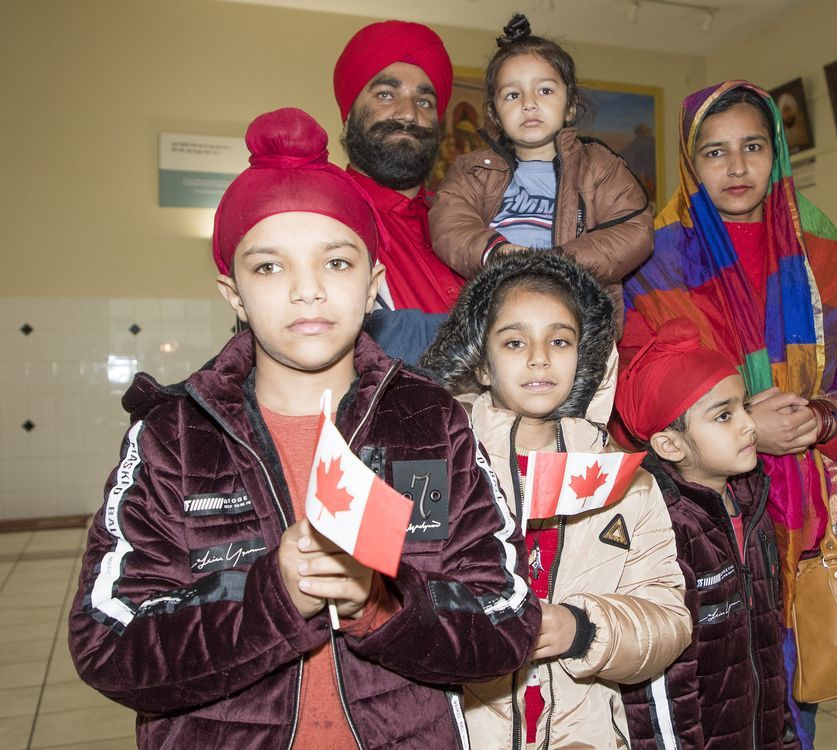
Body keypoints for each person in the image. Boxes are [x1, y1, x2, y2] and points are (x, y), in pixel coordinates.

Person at [69, 107, 540, 749]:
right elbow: (109, 643)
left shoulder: (433, 422)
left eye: (337, 263)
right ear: (232, 293)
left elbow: (506, 621)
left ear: (375, 282)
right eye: (268, 267)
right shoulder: (171, 437)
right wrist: (272, 595)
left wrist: (385, 602)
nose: (306, 291)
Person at [619, 81, 837, 748]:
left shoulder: (822, 248)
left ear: (776, 151)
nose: (738, 167)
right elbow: (633, 394)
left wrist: (824, 420)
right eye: (716, 152)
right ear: (691, 161)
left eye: (753, 146)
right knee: (711, 702)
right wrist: (742, 422)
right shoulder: (656, 257)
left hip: (813, 532)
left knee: (795, 700)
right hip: (706, 530)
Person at [421, 251, 692, 749]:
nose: (539, 357)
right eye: (515, 341)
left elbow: (670, 618)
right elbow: (401, 604)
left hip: (583, 734)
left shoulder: (624, 481)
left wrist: (583, 629)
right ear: (481, 363)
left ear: (583, 355)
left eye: (560, 340)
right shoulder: (436, 468)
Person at [615, 317, 799, 750]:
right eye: (724, 416)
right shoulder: (665, 530)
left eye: (744, 408)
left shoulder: (752, 509)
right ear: (671, 446)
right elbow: (657, 685)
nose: (750, 426)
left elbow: (767, 652)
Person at [428, 14, 653, 331]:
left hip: (578, 317)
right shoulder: (472, 170)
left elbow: (633, 229)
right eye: (512, 95)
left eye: (545, 90)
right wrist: (495, 251)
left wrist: (563, 262)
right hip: (497, 315)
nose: (529, 104)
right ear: (494, 112)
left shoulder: (600, 166)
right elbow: (448, 221)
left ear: (570, 104)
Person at [333, 20, 466, 361]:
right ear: (348, 114)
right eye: (386, 95)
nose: (408, 113)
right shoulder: (324, 220)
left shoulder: (469, 220)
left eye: (424, 101)